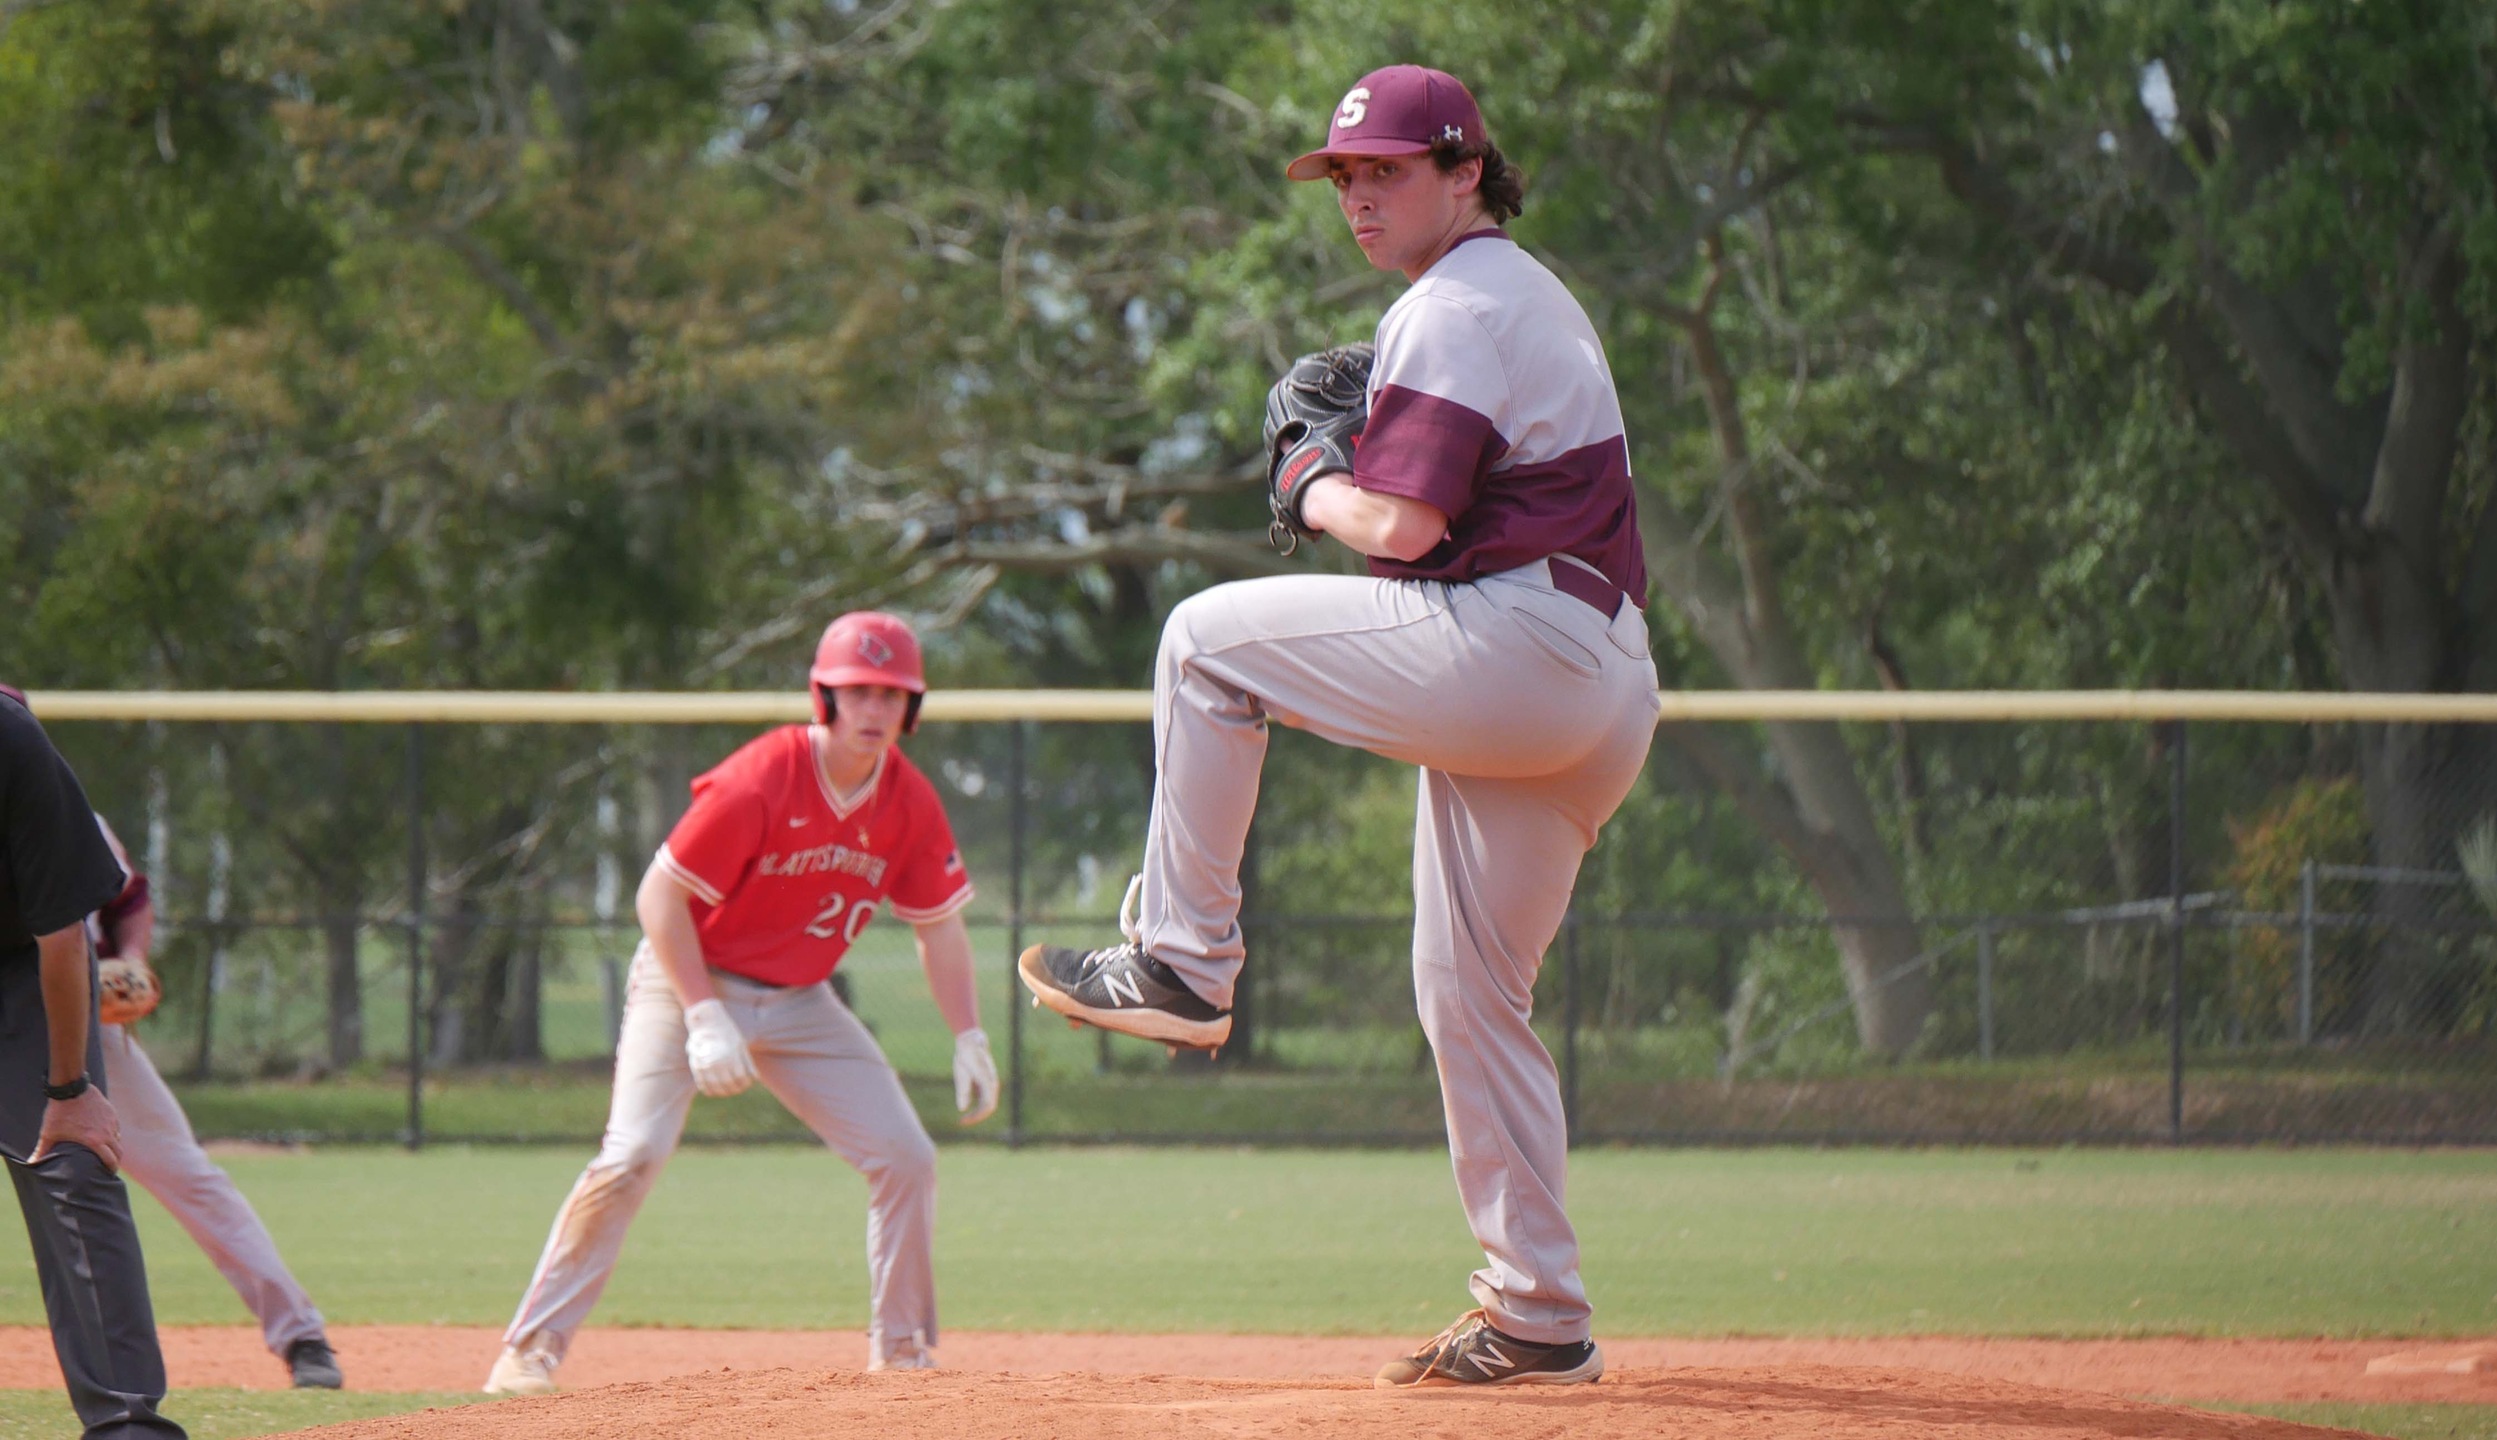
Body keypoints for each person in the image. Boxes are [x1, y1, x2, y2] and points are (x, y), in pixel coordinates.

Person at [1017, 65, 1657, 1388]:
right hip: (1597, 684)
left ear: (1466, 170)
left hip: (1522, 650)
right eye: (1346, 177)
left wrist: (1313, 479)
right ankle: (1540, 1313)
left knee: (1202, 642)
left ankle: (1182, 961)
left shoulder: (1454, 303)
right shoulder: (1523, 297)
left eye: (1391, 171)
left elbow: (1405, 531)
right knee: (1468, 996)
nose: (1360, 196)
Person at [485, 612, 1000, 1394]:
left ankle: (901, 1358)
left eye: (892, 696)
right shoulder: (765, 775)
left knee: (906, 1156)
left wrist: (969, 1035)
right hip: (687, 975)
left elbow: (940, 929)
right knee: (632, 1155)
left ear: (912, 709)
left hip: (800, 1001)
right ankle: (531, 1349)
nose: (874, 710)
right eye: (857, 692)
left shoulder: (910, 802)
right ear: (823, 697)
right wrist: (700, 1014)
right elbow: (659, 899)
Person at [0, 688, 189, 1437]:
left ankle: (126, 1426)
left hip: (20, 965)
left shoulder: (11, 741)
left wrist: (71, 1089)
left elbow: (61, 938)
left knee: (75, 1166)